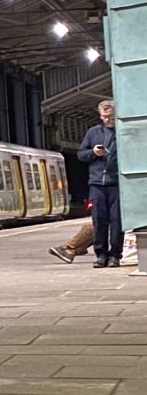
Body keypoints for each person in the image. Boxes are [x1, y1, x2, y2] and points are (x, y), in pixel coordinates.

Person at [77, 99, 122, 268]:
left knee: (117, 221)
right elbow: (81, 154)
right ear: (100, 115)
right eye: (104, 117)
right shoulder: (93, 132)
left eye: (110, 116)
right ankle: (101, 254)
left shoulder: (123, 131)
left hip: (117, 182)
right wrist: (93, 152)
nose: (107, 120)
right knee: (99, 220)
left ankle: (115, 255)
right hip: (96, 183)